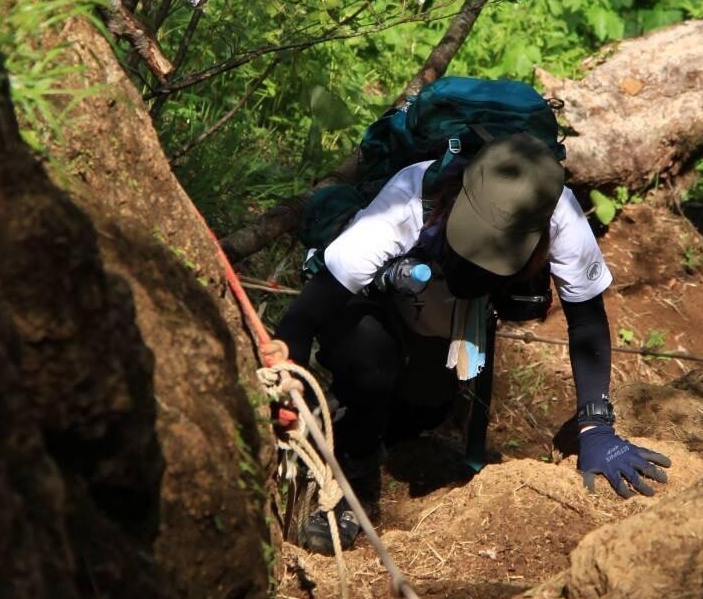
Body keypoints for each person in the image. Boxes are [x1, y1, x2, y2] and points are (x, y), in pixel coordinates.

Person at [275, 132, 670, 553]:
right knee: (369, 364)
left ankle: (364, 422)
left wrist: (596, 426)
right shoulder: (406, 201)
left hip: (446, 320)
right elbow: (303, 319)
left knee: (427, 406)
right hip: (376, 304)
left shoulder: (558, 216)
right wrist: (287, 376)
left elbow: (587, 321)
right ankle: (352, 479)